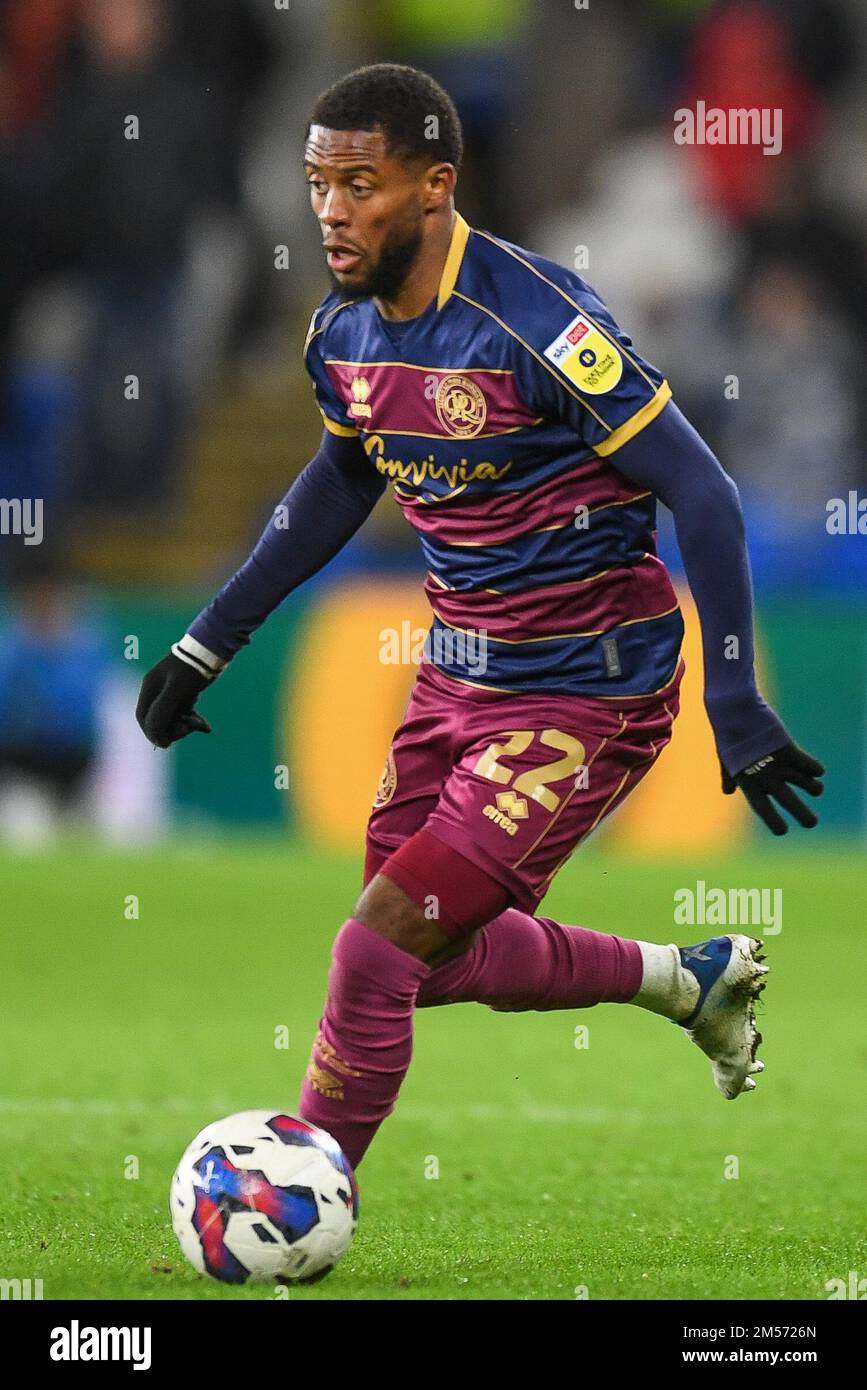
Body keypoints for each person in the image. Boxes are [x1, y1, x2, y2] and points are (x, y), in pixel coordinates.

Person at [136, 64, 824, 1173]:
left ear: (434, 186)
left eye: (361, 182)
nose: (332, 209)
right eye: (320, 184)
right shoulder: (343, 334)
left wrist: (732, 700)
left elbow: (705, 491)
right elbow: (339, 479)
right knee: (432, 956)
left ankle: (309, 1185)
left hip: (590, 686)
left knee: (375, 950)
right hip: (456, 676)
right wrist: (206, 640)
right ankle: (685, 979)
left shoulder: (537, 323)